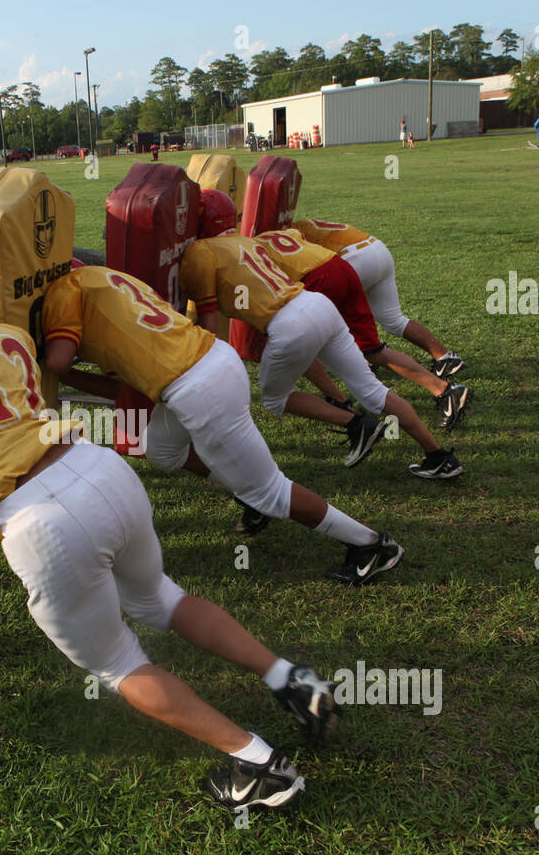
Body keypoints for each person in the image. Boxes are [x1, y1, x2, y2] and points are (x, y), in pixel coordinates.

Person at [0, 265, 343, 812]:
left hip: (39, 512)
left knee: (117, 663)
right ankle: (290, 677)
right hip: (98, 467)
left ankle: (258, 764)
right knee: (162, 596)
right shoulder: (3, 333)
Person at [41, 263, 401, 581]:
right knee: (161, 449)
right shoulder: (104, 277)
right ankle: (247, 494)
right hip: (211, 359)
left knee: (270, 490)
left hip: (197, 387)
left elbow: (56, 362)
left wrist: (41, 358)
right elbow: (121, 386)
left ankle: (371, 544)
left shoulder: (63, 292)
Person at [180, 193, 464, 480]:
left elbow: (208, 319)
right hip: (319, 306)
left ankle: (355, 424)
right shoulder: (246, 242)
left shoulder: (203, 252)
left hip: (289, 323)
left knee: (275, 400)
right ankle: (438, 456)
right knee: (373, 391)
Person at [253, 223, 470, 430]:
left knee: (306, 340)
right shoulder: (289, 230)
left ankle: (338, 400)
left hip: (333, 270)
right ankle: (444, 381)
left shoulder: (246, 247)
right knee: (376, 340)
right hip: (355, 260)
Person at [292, 217, 469, 381]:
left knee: (326, 315)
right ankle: (445, 357)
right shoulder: (301, 224)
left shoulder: (289, 232)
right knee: (394, 320)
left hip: (353, 258)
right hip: (377, 249)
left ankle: (364, 359)